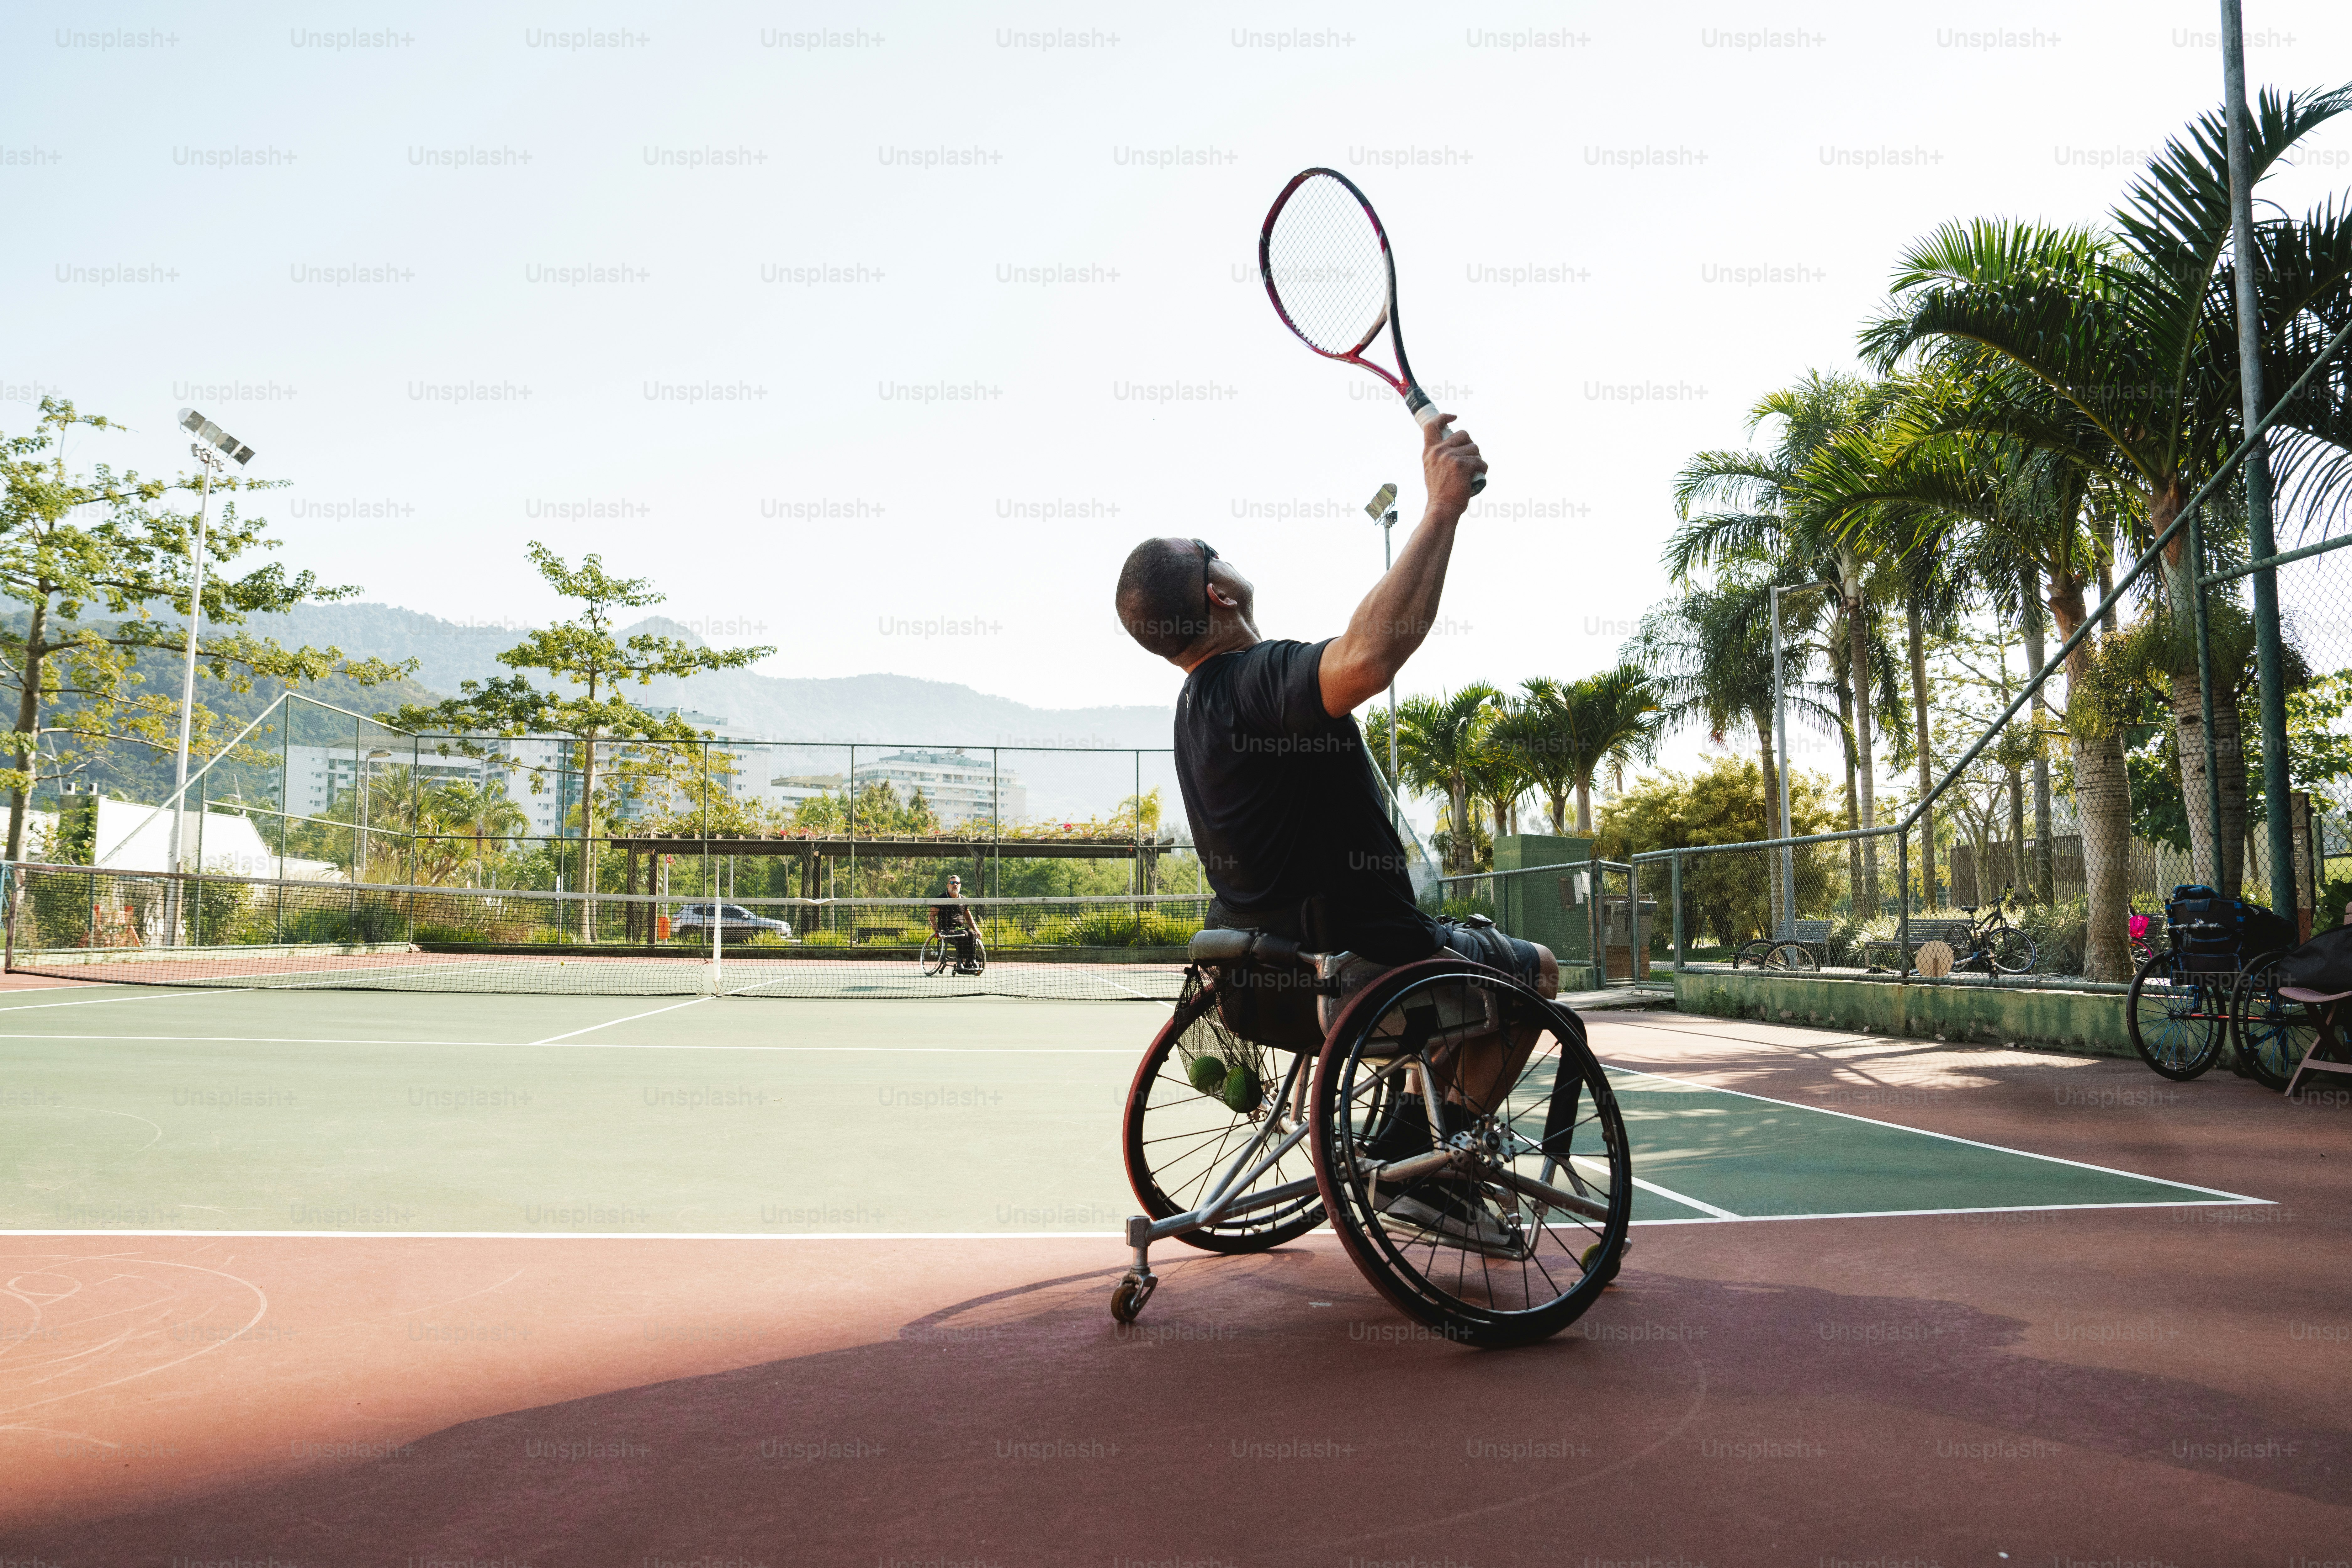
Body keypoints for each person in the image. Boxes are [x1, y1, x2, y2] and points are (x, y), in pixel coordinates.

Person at [1113, 415, 1558, 1252]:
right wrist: (1440, 512)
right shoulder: (1253, 678)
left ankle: (1409, 1137)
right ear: (1217, 593)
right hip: (1358, 968)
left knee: (1452, 956)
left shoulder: (1194, 709)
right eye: (1213, 551)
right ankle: (1428, 1166)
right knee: (1532, 972)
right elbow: (1367, 659)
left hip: (1267, 978)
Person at [931, 874, 980, 973]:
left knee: (972, 934)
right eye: (952, 883)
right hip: (946, 931)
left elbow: (969, 917)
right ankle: (960, 962)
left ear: (960, 885)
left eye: (957, 883)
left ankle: (971, 961)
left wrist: (977, 930)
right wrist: (937, 931)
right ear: (948, 885)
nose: (955, 885)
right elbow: (932, 916)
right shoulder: (941, 899)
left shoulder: (963, 899)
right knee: (964, 935)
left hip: (959, 929)